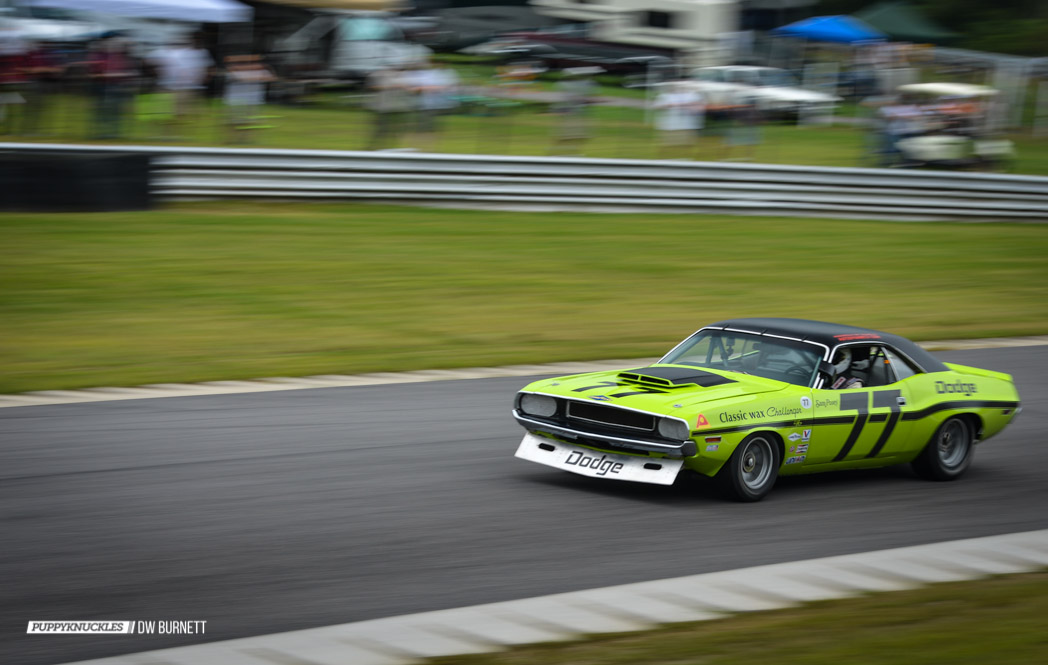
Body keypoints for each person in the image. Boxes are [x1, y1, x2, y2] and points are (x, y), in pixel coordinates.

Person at [653, 81, 703, 159]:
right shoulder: (665, 96)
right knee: (668, 145)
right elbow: (657, 106)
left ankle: (686, 159)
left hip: (686, 126)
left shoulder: (692, 96)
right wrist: (668, 105)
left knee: (686, 145)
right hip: (669, 126)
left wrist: (690, 106)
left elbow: (699, 109)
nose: (679, 89)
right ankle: (665, 160)